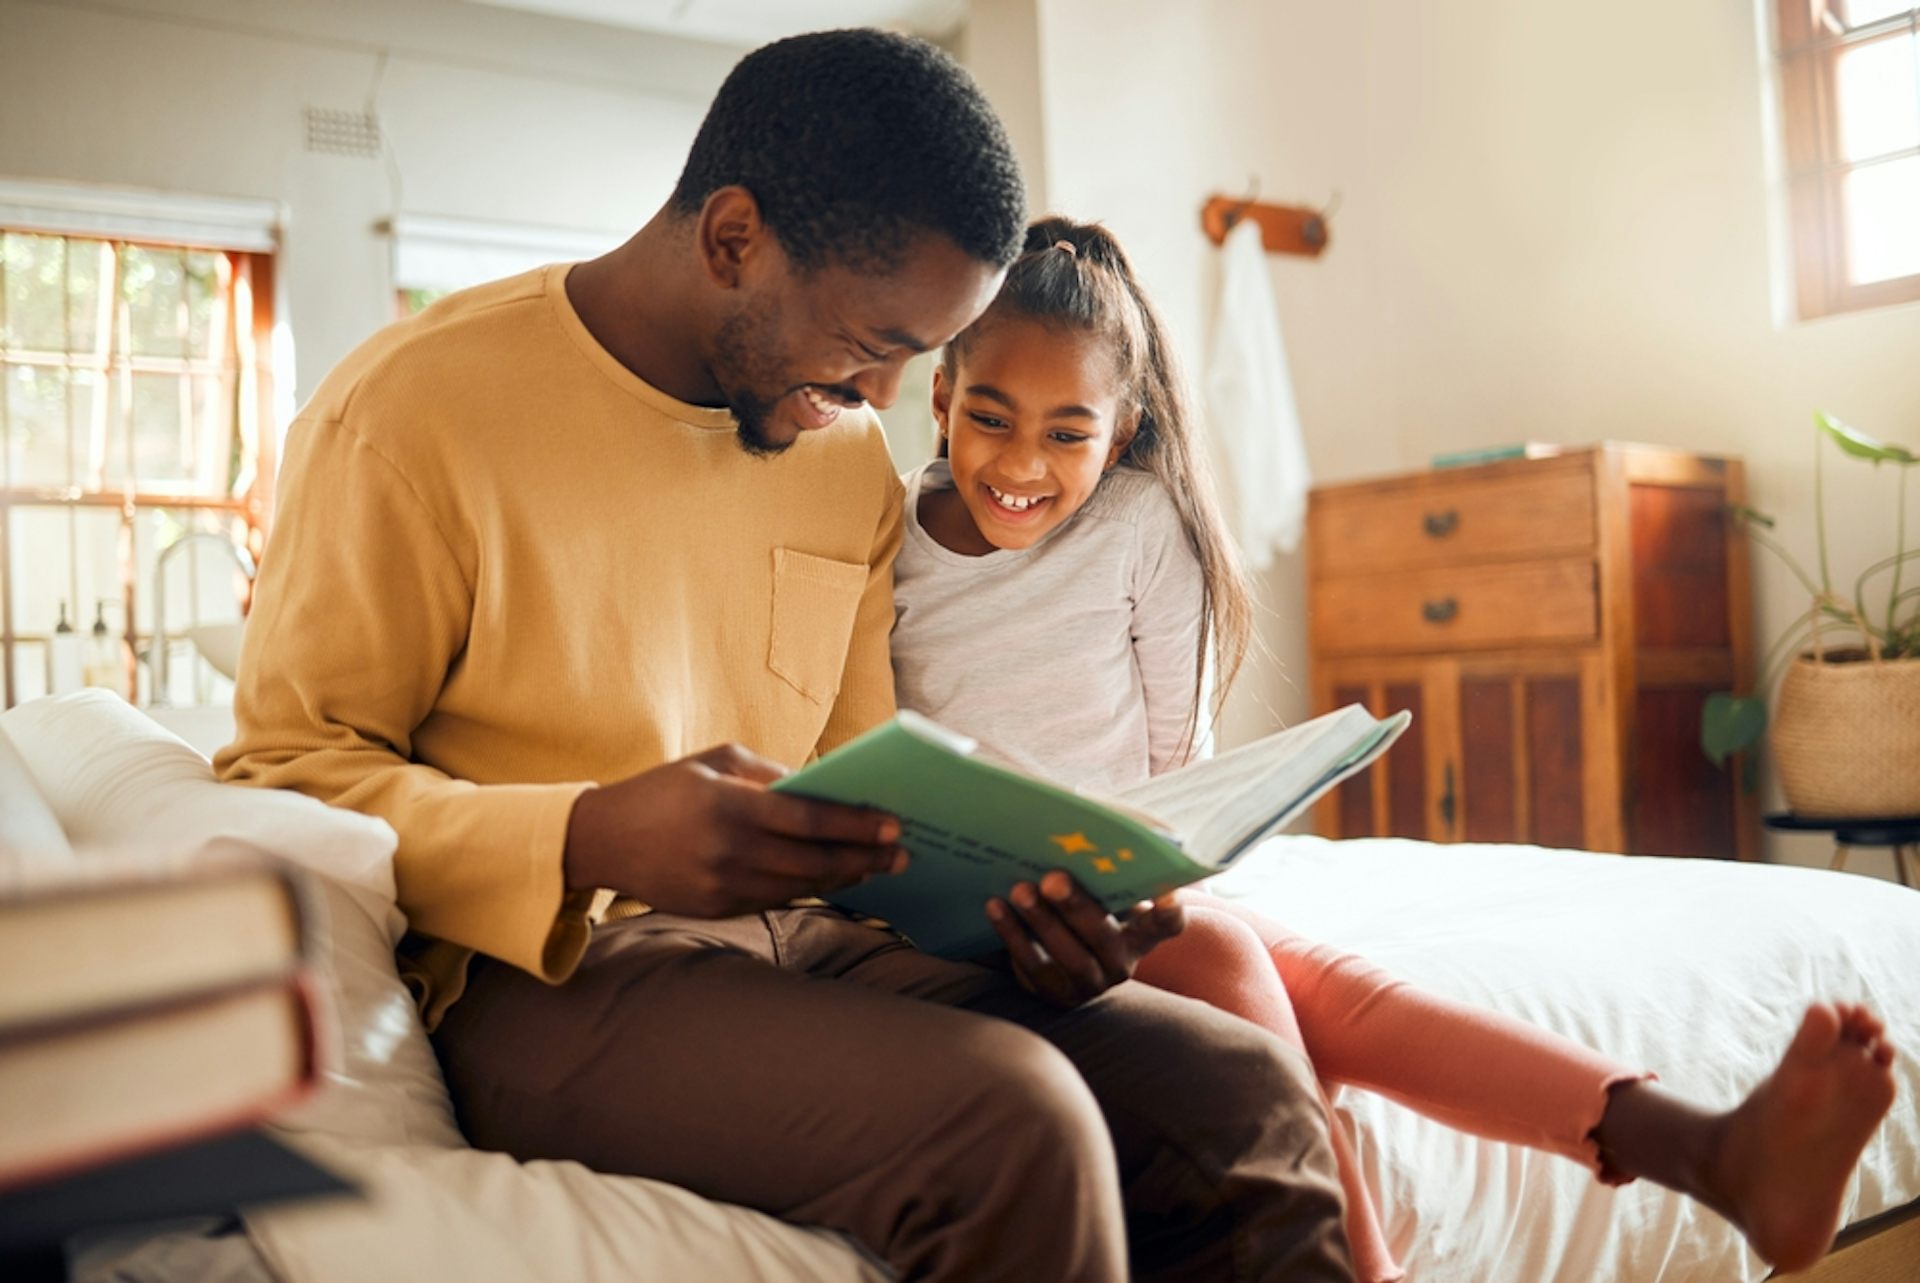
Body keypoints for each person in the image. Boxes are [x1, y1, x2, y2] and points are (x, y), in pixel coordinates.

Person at [219, 30, 1356, 1283]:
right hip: (552, 972)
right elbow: (288, 771)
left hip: (821, 941)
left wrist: (1019, 918)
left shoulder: (831, 451)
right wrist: (588, 832)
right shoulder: (410, 412)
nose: (881, 394)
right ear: (732, 238)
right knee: (1013, 1119)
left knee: (1237, 1088)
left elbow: (870, 776)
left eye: (915, 355)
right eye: (868, 340)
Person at [891, 215, 1902, 1281]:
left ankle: (1714, 1148)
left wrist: (1145, 881)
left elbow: (1176, 772)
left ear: (1122, 425)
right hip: (973, 911)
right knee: (1256, 969)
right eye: (991, 417)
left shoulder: (1143, 523)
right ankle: (1673, 1157)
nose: (1020, 462)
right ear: (944, 396)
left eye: (1067, 433)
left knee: (1323, 990)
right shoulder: (891, 532)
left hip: (1117, 884)